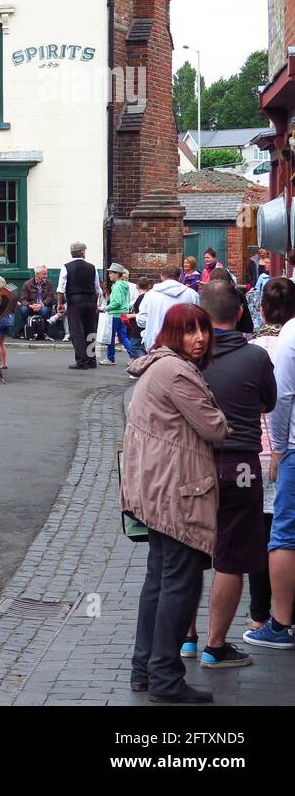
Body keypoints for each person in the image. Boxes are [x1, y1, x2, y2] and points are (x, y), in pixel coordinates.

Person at [121, 303, 229, 704]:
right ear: (172, 335)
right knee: (178, 585)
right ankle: (165, 678)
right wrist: (223, 415)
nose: (199, 339)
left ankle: (144, 668)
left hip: (156, 488)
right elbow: (214, 427)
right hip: (175, 491)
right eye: (189, 332)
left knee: (159, 581)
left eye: (202, 330)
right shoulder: (177, 372)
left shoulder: (159, 367)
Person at [175, 281, 275, 670]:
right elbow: (268, 400)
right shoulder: (255, 357)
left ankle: (186, 637)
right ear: (239, 313)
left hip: (192, 463)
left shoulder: (185, 359)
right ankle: (216, 647)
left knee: (189, 553)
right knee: (230, 559)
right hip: (241, 466)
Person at [245, 277, 295, 652]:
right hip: (277, 451)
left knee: (273, 536)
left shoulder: (258, 348)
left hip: (267, 453)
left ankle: (268, 617)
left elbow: (280, 401)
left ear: (261, 308)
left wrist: (277, 448)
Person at [136, 262, 200, 352]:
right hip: (183, 344)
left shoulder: (150, 295)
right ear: (179, 277)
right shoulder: (192, 295)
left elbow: (141, 321)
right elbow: (197, 320)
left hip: (155, 343)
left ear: (161, 276)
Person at [55, 242, 99, 370]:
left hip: (75, 301)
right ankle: (91, 359)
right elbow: (97, 289)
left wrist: (60, 304)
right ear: (83, 253)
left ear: (71, 253)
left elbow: (61, 289)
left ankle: (81, 361)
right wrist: (95, 304)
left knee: (77, 331)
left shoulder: (66, 267)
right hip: (90, 300)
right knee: (90, 330)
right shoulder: (92, 267)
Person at [104, 263, 136, 365]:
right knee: (123, 337)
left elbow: (116, 302)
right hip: (123, 315)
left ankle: (110, 358)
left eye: (111, 273)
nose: (109, 275)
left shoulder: (117, 286)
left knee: (110, 337)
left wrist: (107, 307)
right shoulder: (125, 285)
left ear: (117, 274)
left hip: (115, 315)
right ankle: (134, 356)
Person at [16, 265, 56, 339]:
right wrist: (30, 305)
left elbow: (50, 297)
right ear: (37, 274)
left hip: (44, 306)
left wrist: (42, 304)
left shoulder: (49, 283)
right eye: (44, 274)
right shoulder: (27, 284)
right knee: (23, 309)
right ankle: (28, 331)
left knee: (44, 311)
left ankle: (43, 332)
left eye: (46, 273)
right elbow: (23, 299)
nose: (46, 276)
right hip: (31, 306)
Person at [126, 277, 153, 358]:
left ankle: (144, 361)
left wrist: (131, 315)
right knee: (142, 346)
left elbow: (143, 314)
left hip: (138, 326)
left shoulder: (143, 297)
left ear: (137, 286)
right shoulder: (148, 297)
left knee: (134, 346)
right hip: (144, 326)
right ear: (149, 286)